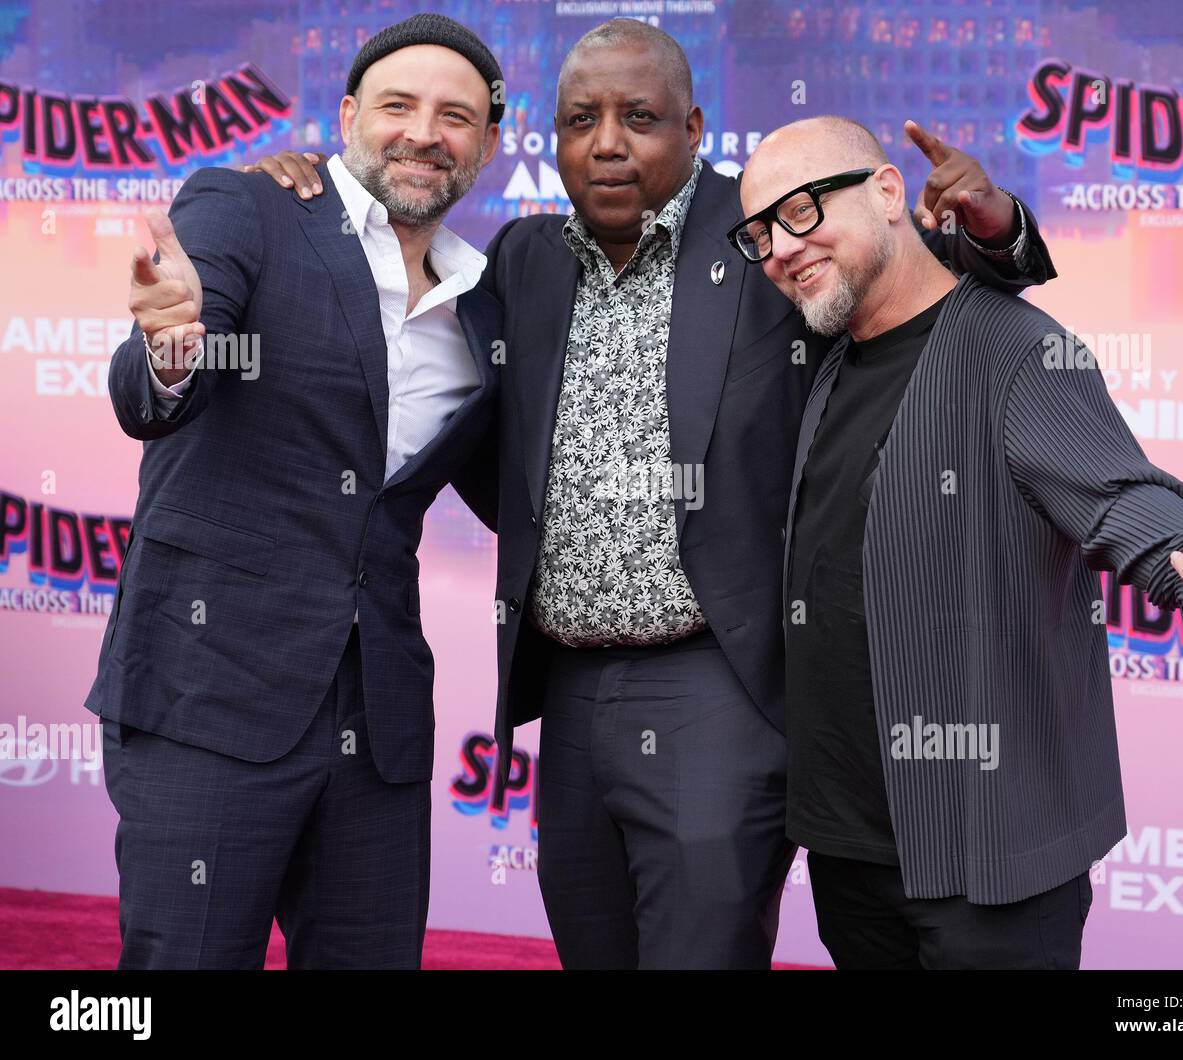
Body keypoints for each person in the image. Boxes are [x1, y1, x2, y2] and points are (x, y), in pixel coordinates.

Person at [245, 18, 1053, 969]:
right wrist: (305, 192)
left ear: (696, 127)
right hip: (570, 684)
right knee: (596, 944)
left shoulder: (767, 237)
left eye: (640, 117)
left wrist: (995, 234)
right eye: (581, 119)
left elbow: (903, 284)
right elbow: (455, 390)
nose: (608, 143)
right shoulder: (521, 259)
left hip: (718, 676)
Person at [733, 115, 1183, 969]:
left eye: (803, 211)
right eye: (760, 231)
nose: (780, 247)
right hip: (848, 850)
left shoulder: (1017, 353)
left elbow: (1116, 498)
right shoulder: (819, 352)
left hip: (990, 856)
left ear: (886, 194)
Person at [85, 13, 504, 968]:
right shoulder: (249, 210)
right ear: (351, 114)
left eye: (455, 115)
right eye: (397, 105)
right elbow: (152, 389)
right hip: (209, 694)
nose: (423, 132)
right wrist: (175, 346)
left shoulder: (483, 303)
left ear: (484, 143)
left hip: (381, 727)